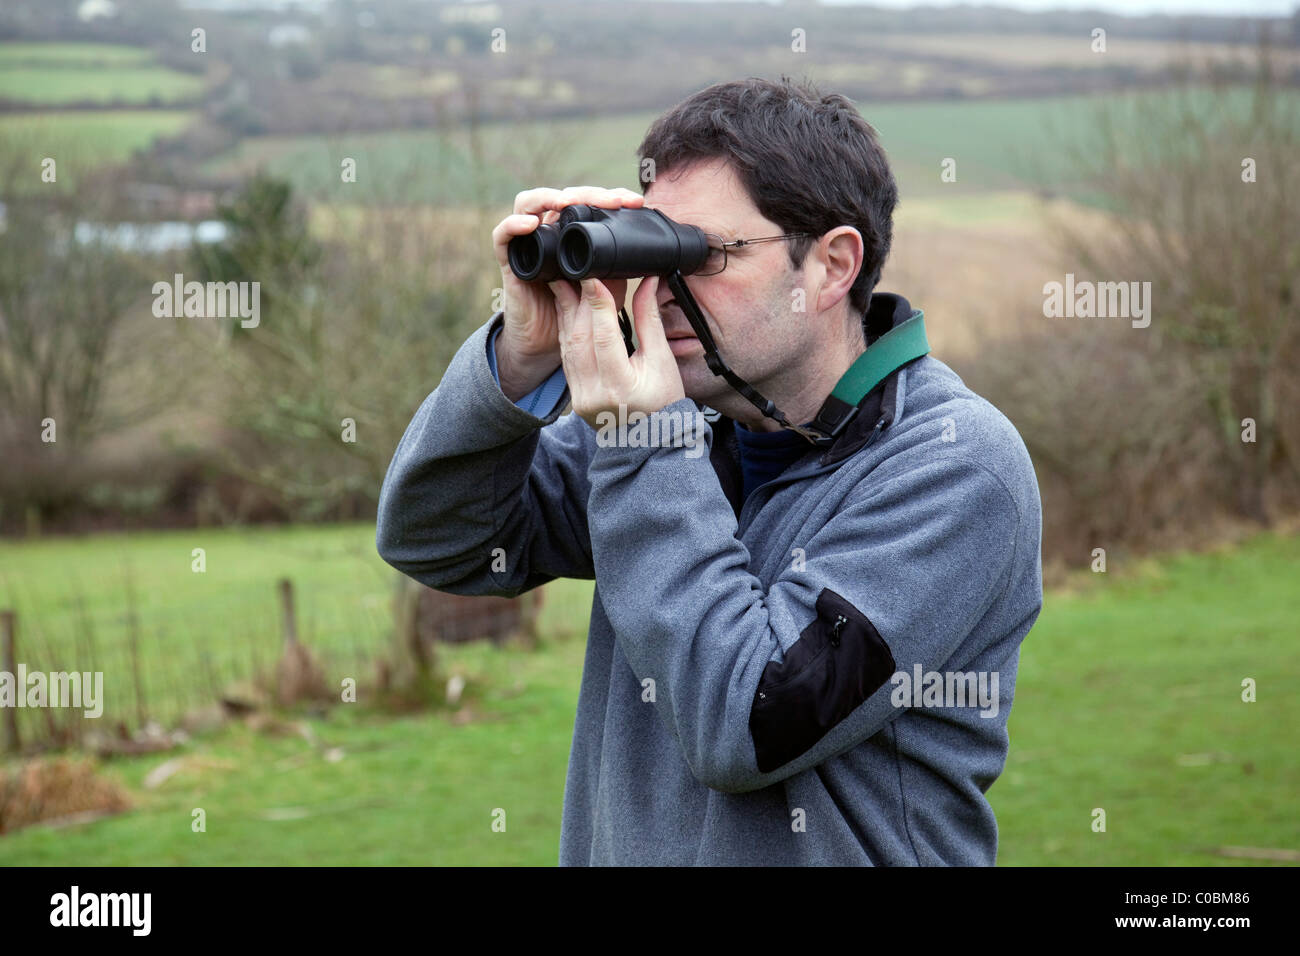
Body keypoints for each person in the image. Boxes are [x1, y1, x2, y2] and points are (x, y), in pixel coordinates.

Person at [376, 76, 1042, 865]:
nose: (658, 294)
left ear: (830, 267)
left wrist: (643, 437)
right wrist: (516, 364)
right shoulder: (684, 429)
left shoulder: (953, 465)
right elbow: (437, 540)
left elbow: (749, 721)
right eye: (655, 250)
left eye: (705, 253)